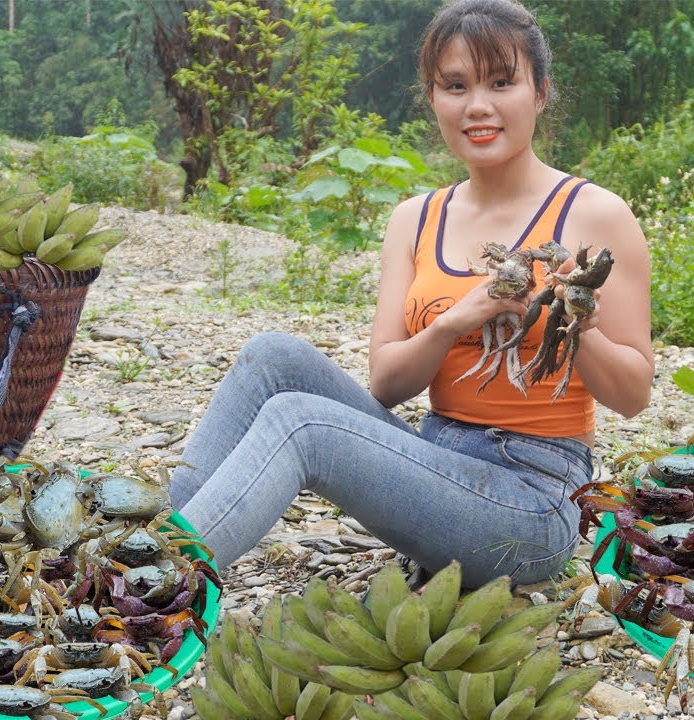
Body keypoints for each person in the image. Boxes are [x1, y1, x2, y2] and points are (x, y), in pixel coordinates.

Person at [170, 0, 654, 588]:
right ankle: (151, 546)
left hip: (532, 499)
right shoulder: (415, 218)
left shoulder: (596, 214)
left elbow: (633, 397)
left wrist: (574, 319)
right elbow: (387, 385)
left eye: (502, 82)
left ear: (541, 92)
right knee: (271, 357)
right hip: (432, 460)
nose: (478, 105)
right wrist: (453, 321)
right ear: (433, 98)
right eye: (456, 85)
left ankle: (166, 593)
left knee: (301, 424)